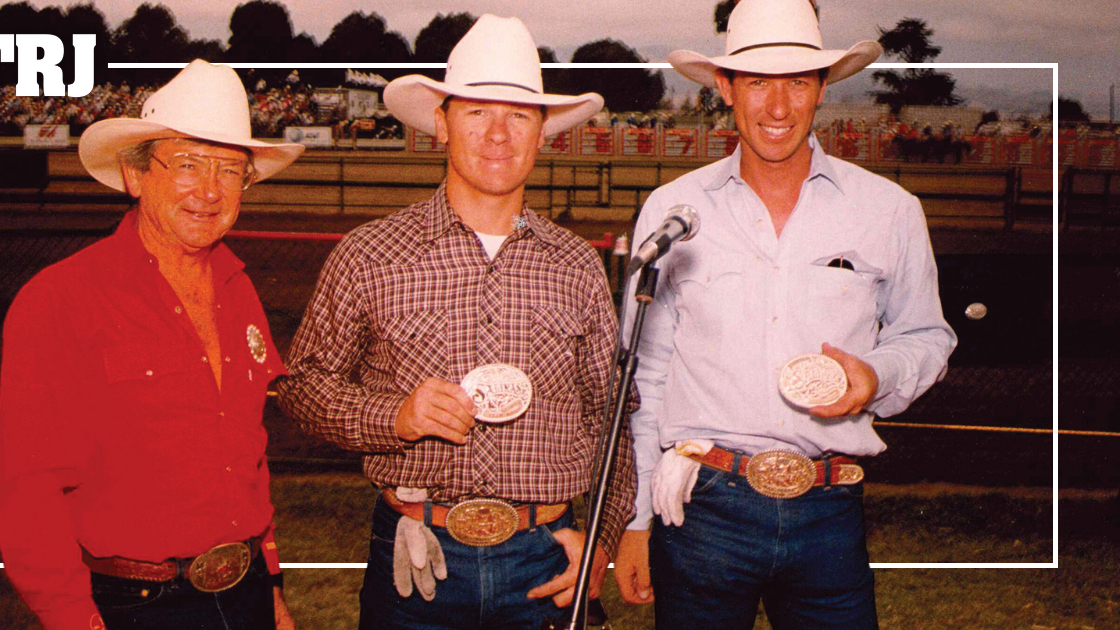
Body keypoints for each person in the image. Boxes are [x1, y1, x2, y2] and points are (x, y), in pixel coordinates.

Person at [276, 15, 636, 630]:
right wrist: (393, 417)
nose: (498, 134)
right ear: (441, 124)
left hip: (546, 556)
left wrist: (601, 538)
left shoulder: (577, 265)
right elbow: (301, 388)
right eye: (476, 112)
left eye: (519, 115)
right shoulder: (370, 254)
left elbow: (613, 419)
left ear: (542, 132)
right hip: (416, 555)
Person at [611, 1, 957, 628]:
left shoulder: (889, 209)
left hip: (829, 511)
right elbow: (644, 375)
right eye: (758, 83)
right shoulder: (673, 209)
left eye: (797, 82)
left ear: (823, 87)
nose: (778, 107)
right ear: (724, 87)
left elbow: (927, 334)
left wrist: (876, 376)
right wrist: (635, 519)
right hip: (700, 508)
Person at [0, 60, 305, 630]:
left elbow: (248, 460)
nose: (209, 191)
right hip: (133, 604)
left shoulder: (239, 290)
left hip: (247, 590)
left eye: (229, 170)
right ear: (136, 176)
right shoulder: (60, 299)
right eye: (187, 164)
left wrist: (273, 588)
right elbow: (27, 496)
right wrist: (73, 621)